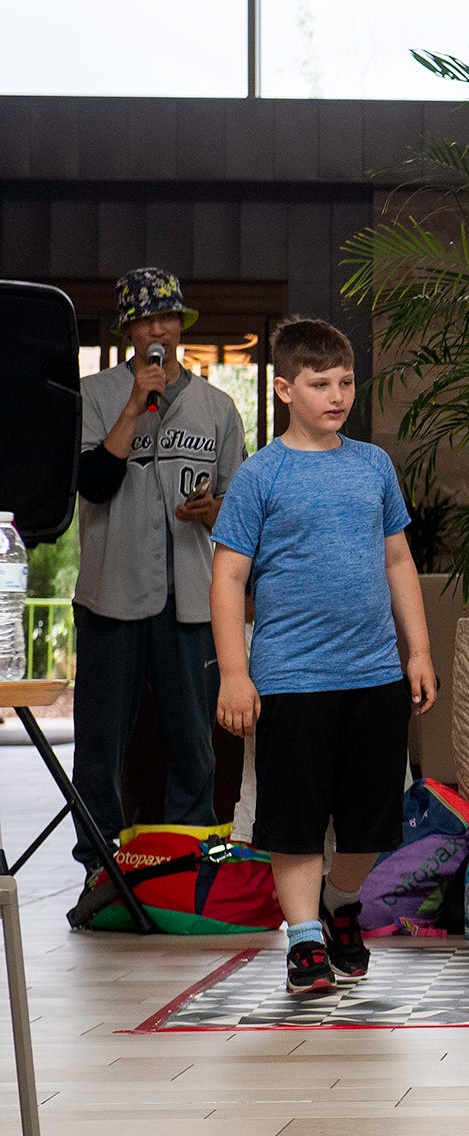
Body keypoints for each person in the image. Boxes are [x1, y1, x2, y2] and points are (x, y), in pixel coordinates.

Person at [207, 319, 436, 995]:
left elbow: (398, 560)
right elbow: (227, 578)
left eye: (346, 383)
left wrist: (419, 651)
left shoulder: (373, 465)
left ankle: (340, 902)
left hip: (375, 674)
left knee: (371, 823)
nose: (337, 396)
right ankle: (305, 939)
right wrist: (235, 672)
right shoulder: (260, 475)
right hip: (289, 678)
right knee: (296, 822)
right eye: (320, 384)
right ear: (284, 389)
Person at [69, 268, 250, 899]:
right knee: (100, 744)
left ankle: (184, 863)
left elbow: (240, 514)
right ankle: (99, 865)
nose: (157, 330)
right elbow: (92, 484)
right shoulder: (94, 395)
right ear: (128, 330)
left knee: (194, 743)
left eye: (166, 318)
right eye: (144, 320)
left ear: (180, 325)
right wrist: (133, 406)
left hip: (192, 602)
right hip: (111, 595)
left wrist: (212, 510)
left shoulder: (218, 408)